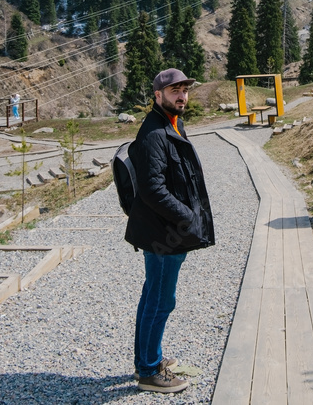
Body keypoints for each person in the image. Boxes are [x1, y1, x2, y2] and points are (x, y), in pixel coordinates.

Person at [125, 68, 214, 394]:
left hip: (165, 231)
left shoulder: (171, 124)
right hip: (164, 234)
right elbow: (152, 189)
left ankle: (150, 358)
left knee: (153, 296)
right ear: (158, 95)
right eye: (174, 90)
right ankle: (149, 370)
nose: (181, 95)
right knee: (161, 301)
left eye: (185, 90)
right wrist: (188, 217)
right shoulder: (154, 134)